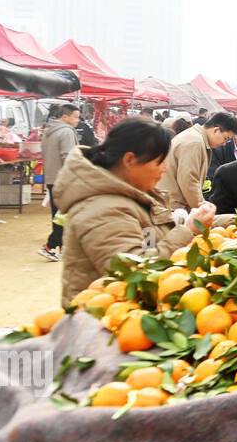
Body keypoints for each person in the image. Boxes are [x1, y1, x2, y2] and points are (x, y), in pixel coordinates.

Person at [52, 118, 215, 306]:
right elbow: (132, 272)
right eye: (159, 161)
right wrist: (187, 231)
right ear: (130, 159)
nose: (166, 168)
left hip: (128, 310)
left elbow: (148, 241)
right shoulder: (102, 208)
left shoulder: (132, 194)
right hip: (102, 319)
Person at [160, 111, 237, 212]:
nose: (224, 144)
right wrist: (202, 208)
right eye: (226, 138)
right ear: (216, 130)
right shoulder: (195, 142)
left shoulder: (196, 138)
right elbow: (189, 180)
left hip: (173, 203)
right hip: (172, 206)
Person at [39, 103, 81, 261]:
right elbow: (68, 157)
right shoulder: (66, 131)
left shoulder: (48, 131)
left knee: (59, 214)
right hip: (65, 179)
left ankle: (64, 248)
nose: (78, 120)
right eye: (75, 117)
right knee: (63, 215)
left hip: (52, 177)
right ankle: (50, 246)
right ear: (65, 117)